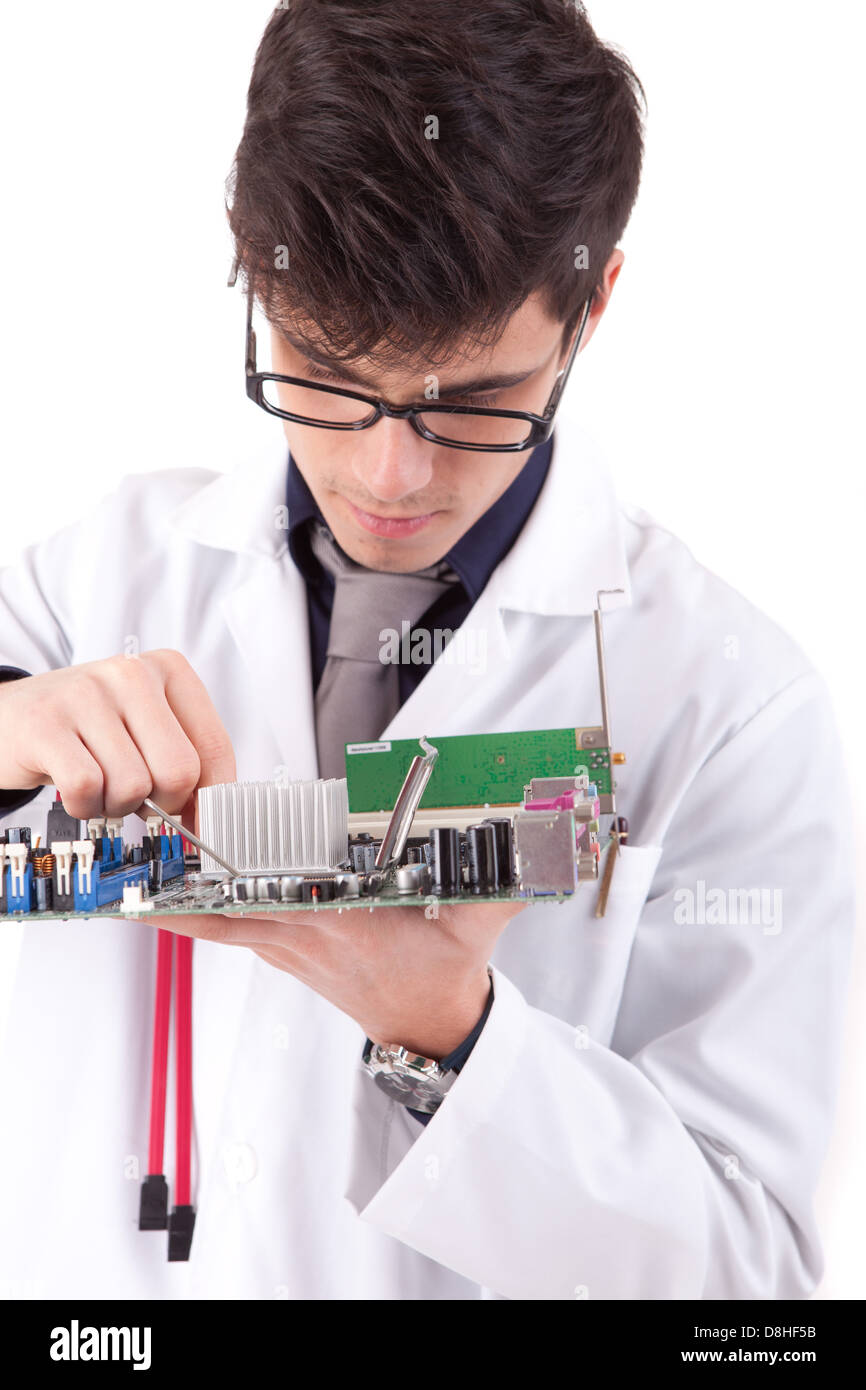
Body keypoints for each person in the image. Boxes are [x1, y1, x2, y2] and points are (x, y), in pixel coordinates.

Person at [0, 0, 853, 1300]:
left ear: (592, 301)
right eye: (326, 374)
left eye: (472, 398)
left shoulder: (729, 707)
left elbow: (750, 1298)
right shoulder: (96, 573)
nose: (384, 471)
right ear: (252, 275)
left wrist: (447, 1035)